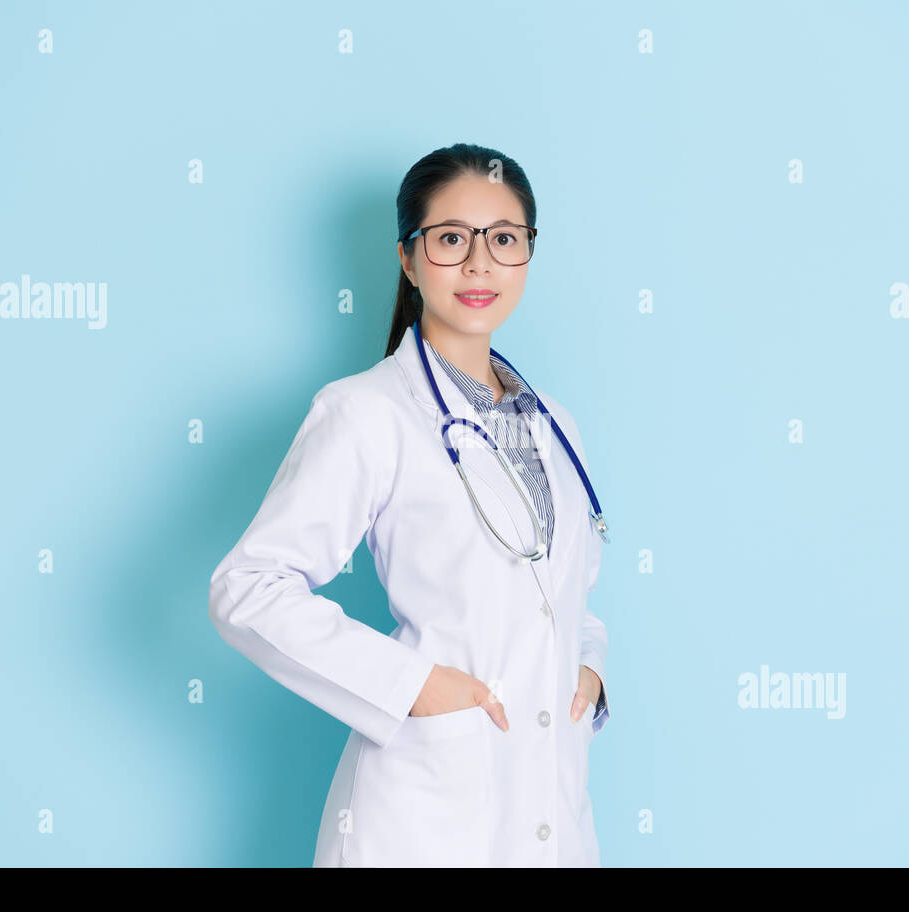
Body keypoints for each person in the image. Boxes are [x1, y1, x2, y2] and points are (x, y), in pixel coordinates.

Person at [208, 143, 611, 867]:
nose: (479, 263)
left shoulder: (555, 424)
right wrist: (414, 685)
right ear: (408, 257)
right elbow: (248, 589)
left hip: (552, 815)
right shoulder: (367, 413)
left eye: (504, 239)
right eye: (452, 238)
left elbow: (560, 596)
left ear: (526, 254)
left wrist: (590, 667)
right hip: (424, 819)